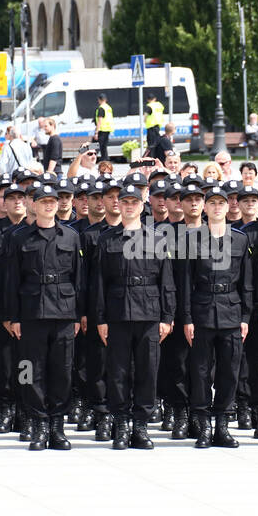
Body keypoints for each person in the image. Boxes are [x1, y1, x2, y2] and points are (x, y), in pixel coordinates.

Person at [0, 182, 85, 451]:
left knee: (61, 371)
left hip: (63, 313)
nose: (49, 205)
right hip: (31, 313)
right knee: (29, 371)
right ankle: (37, 423)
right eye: (43, 201)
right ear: (32, 205)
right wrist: (12, 317)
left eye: (53, 201)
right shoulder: (19, 238)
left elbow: (79, 278)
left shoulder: (71, 236)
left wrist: (78, 316)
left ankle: (57, 426)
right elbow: (10, 280)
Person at [94, 179, 175, 449]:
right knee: (117, 372)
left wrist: (167, 317)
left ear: (143, 206)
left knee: (147, 371)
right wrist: (101, 318)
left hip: (149, 313)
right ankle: (121, 423)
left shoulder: (157, 239)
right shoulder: (107, 238)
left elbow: (166, 281)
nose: (128, 207)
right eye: (124, 202)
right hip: (117, 313)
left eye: (134, 202)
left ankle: (140, 425)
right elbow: (99, 283)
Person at [179, 183, 252, 447]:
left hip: (231, 312)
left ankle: (222, 423)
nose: (218, 207)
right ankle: (203, 425)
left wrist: (245, 317)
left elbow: (247, 283)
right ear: (206, 207)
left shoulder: (240, 239)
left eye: (222, 203)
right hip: (202, 311)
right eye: (213, 203)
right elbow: (185, 282)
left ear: (228, 207)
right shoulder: (191, 238)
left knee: (229, 371)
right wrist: (186, 317)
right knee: (199, 371)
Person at [93, 93, 114, 158]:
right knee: (103, 147)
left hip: (101, 130)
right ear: (105, 100)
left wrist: (96, 132)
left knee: (94, 145)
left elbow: (100, 121)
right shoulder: (108, 107)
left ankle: (83, 156)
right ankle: (105, 160)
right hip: (107, 129)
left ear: (99, 100)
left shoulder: (101, 108)